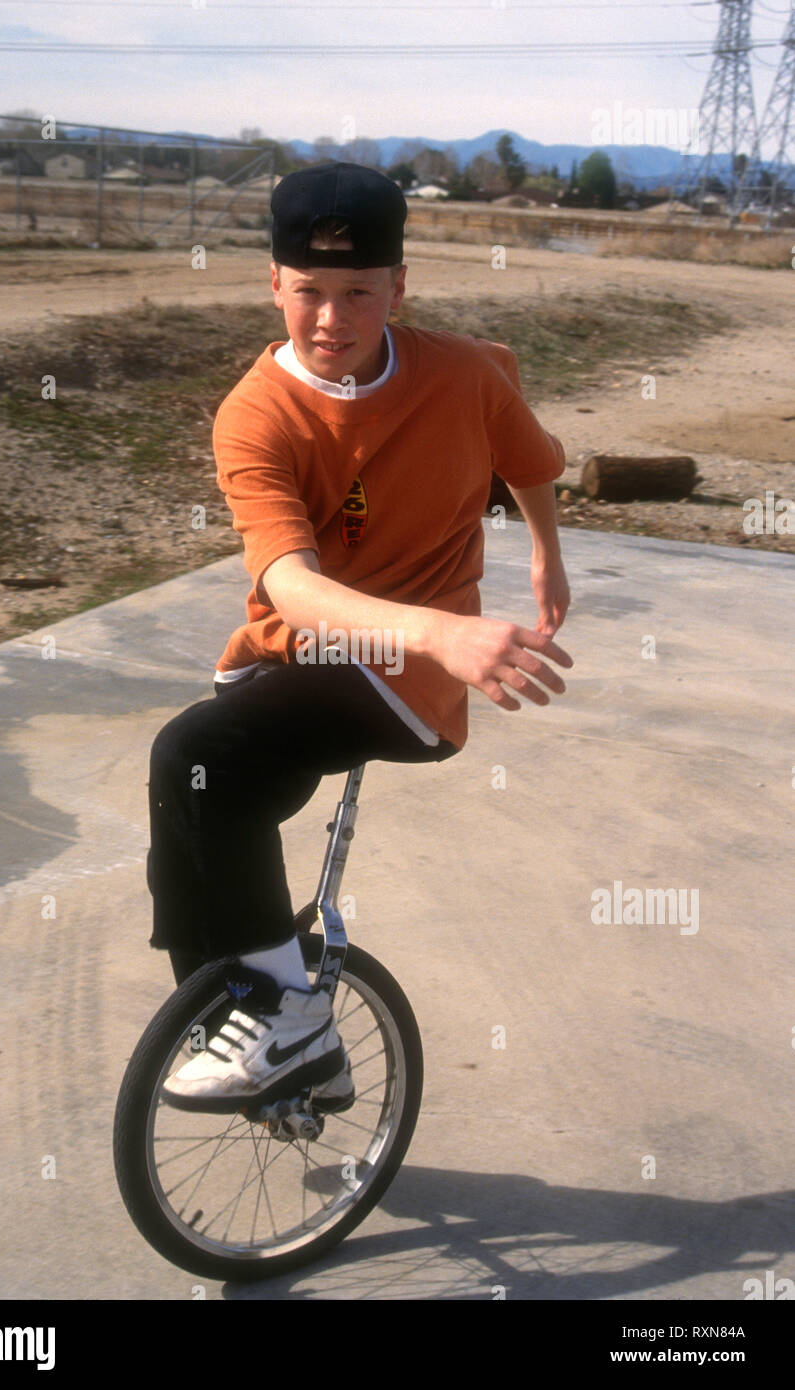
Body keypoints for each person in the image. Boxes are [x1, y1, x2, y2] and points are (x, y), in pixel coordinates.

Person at [146, 162, 573, 1113]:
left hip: (407, 684)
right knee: (198, 808)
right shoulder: (253, 413)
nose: (331, 320)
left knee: (193, 752)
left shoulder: (466, 372)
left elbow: (533, 461)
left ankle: (284, 1022)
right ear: (272, 285)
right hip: (302, 649)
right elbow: (291, 586)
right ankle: (255, 1018)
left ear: (399, 287)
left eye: (358, 294)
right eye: (308, 293)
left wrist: (545, 558)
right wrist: (438, 629)